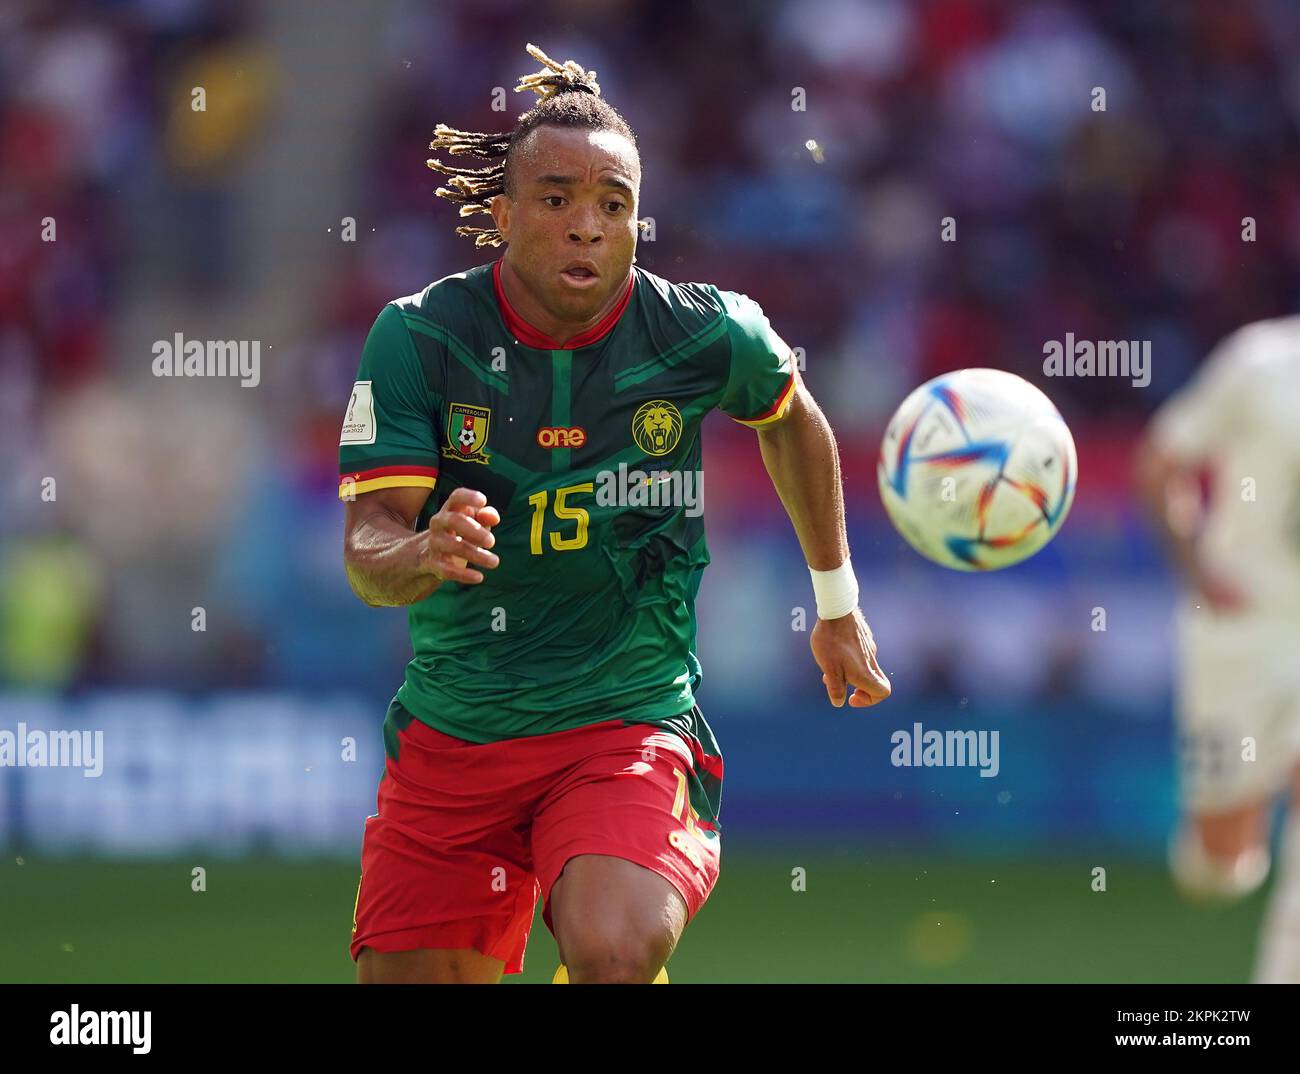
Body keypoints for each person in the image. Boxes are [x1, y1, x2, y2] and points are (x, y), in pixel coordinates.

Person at [339, 45, 891, 984]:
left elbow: (794, 422)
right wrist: (422, 549)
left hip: (623, 720)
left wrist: (836, 603)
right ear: (504, 216)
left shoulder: (703, 331)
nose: (587, 227)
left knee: (611, 945)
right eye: (555, 200)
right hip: (456, 730)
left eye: (613, 204)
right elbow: (366, 546)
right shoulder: (420, 336)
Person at [1138, 314, 1300, 983]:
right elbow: (1161, 464)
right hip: (1244, 634)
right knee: (1219, 864)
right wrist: (1198, 574)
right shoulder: (1261, 361)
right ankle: (1222, 838)